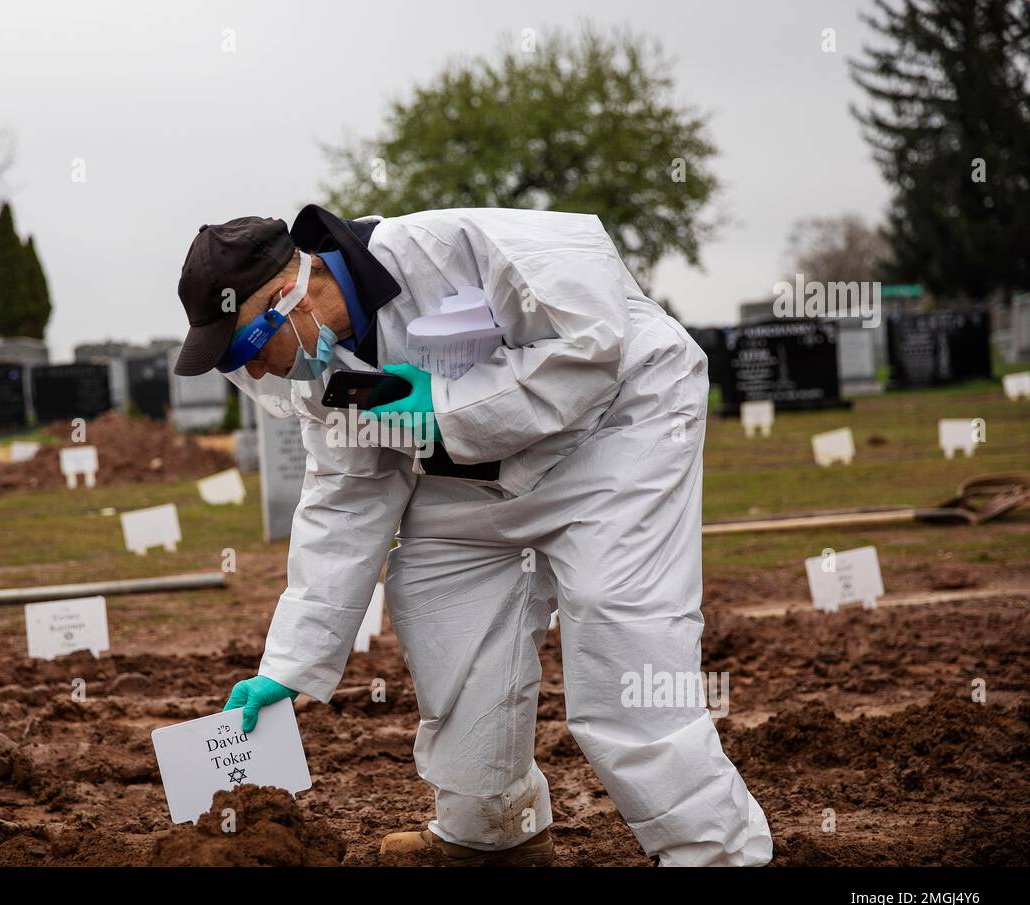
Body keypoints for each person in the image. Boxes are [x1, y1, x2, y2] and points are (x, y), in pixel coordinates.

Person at [174, 205, 772, 866]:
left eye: (250, 352)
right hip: (467, 480)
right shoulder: (320, 375)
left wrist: (443, 405)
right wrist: (286, 666)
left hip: (616, 433)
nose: (255, 376)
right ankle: (492, 833)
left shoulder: (448, 246)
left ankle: (715, 853)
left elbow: (592, 345)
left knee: (621, 648)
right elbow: (346, 500)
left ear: (293, 297)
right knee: (442, 621)